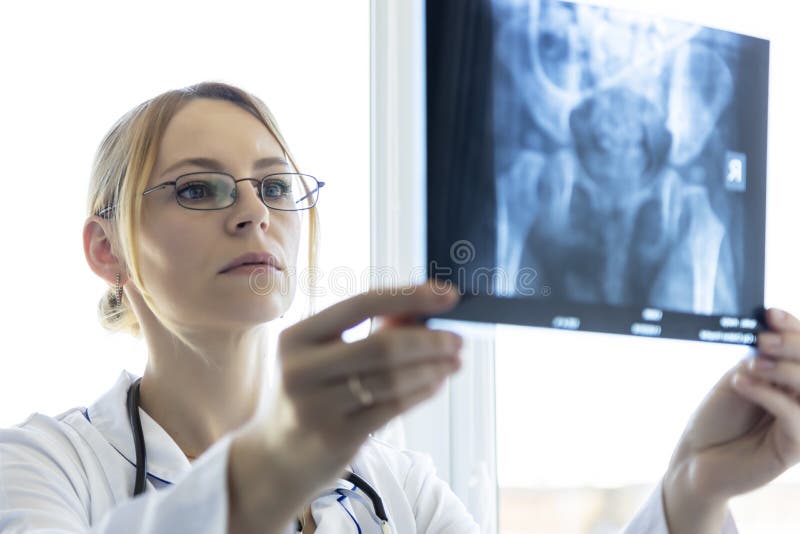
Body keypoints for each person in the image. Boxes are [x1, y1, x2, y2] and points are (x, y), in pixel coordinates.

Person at [0, 82, 797, 534]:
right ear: (105, 249)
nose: (254, 213)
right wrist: (275, 464)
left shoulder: (391, 482)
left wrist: (693, 489)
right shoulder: (41, 467)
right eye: (199, 189)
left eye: (275, 186)